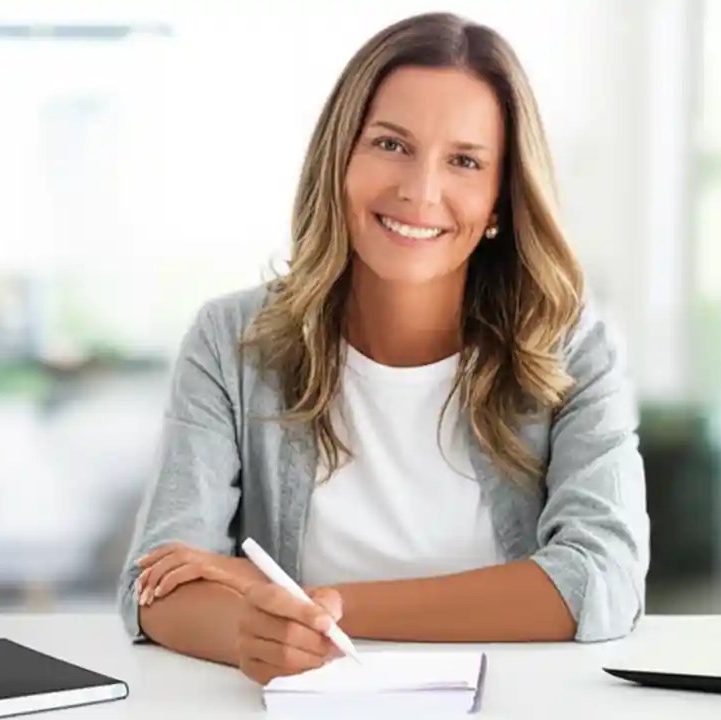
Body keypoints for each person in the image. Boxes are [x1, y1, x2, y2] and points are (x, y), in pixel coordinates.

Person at [118, 11, 649, 685]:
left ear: (497, 199)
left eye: (464, 161)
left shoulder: (573, 348)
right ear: (340, 157)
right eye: (392, 145)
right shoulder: (231, 341)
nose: (420, 190)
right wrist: (252, 635)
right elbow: (159, 584)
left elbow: (600, 582)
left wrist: (322, 608)